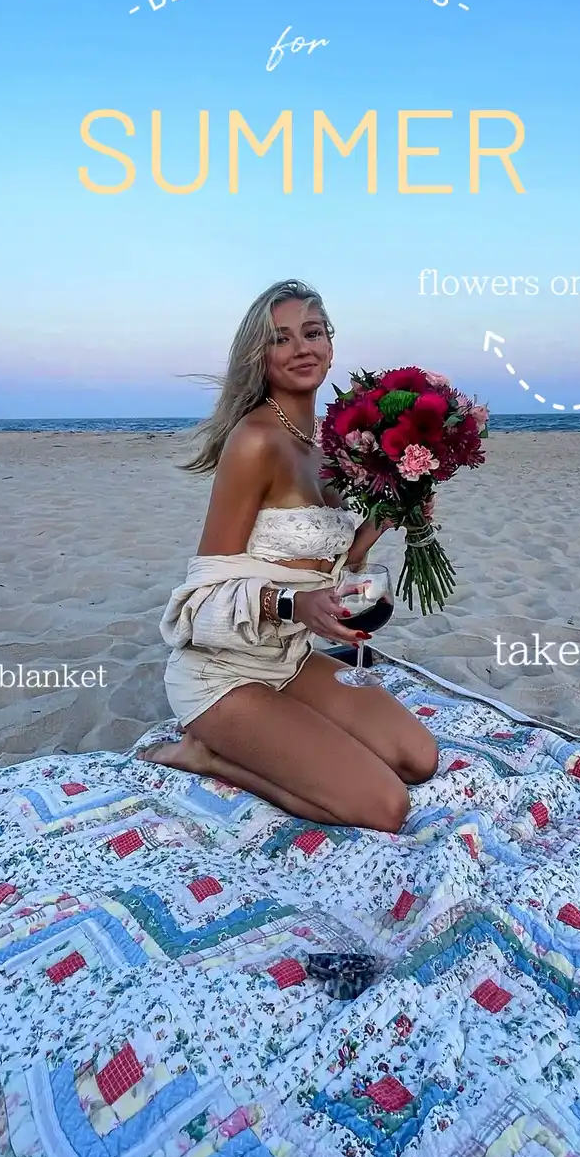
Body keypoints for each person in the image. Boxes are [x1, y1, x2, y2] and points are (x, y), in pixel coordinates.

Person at [142, 279, 439, 831]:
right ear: (260, 354)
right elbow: (197, 601)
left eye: (312, 332)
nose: (302, 348)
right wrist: (294, 608)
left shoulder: (328, 445)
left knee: (418, 758)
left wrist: (376, 529)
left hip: (292, 659)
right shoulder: (255, 441)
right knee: (385, 807)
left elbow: (319, 563)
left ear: (331, 343)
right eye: (281, 339)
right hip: (223, 674)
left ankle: (293, 733)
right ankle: (204, 754)